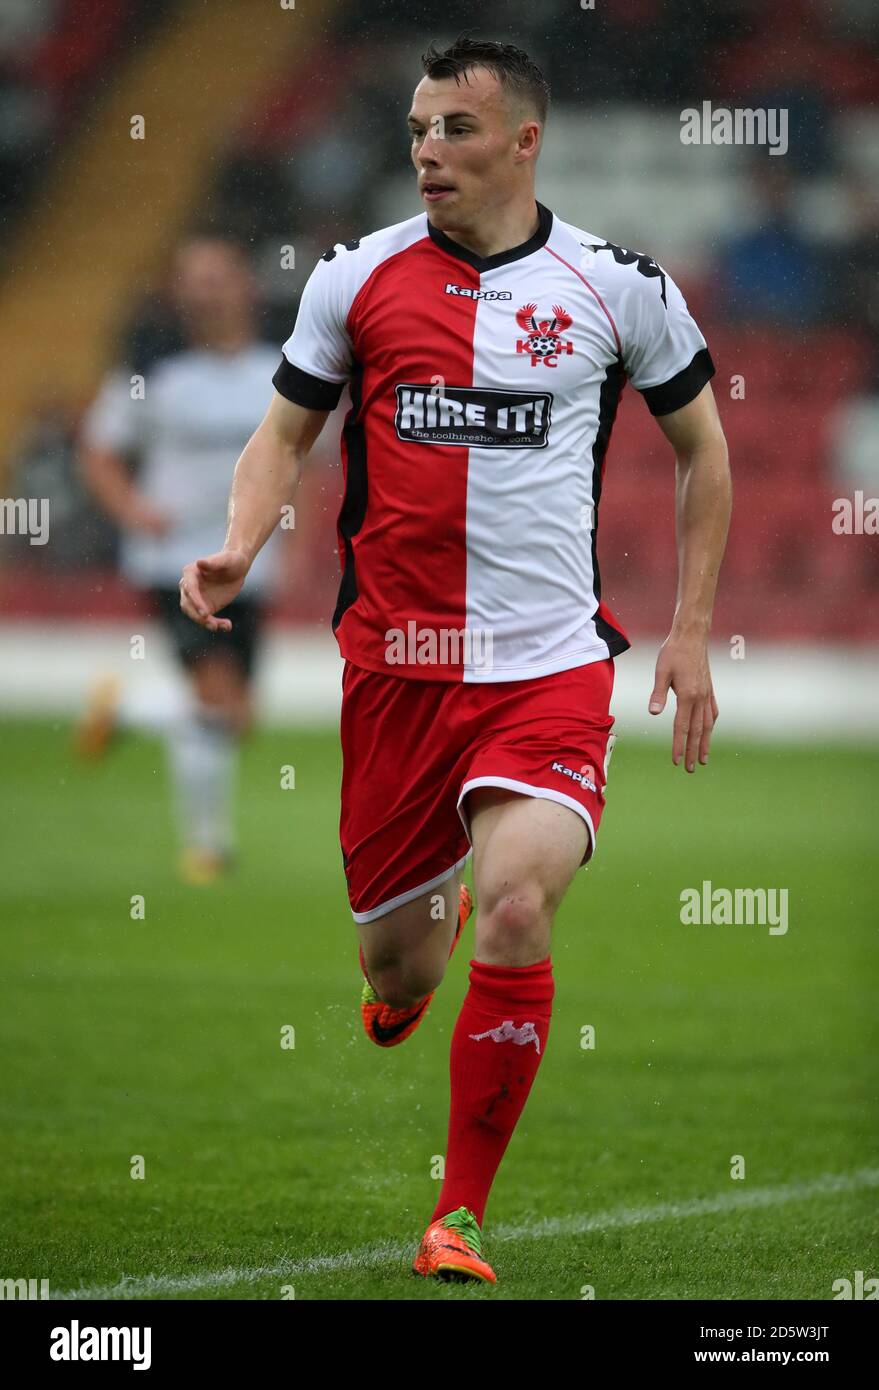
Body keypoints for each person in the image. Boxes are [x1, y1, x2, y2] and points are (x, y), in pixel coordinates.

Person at [179, 38, 731, 1283]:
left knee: (523, 900)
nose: (429, 150)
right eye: (420, 129)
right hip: (395, 671)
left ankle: (457, 1213)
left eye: (458, 130)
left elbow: (707, 453)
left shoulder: (613, 286)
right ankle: (415, 960)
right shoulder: (355, 279)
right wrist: (236, 543)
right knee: (398, 960)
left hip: (546, 668)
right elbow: (283, 437)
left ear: (524, 141)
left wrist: (691, 631)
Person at [78, 236, 280, 883]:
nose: (204, 291)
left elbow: (298, 462)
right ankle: (208, 846)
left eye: (216, 277)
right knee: (216, 700)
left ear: (244, 286)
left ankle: (129, 707)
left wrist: (294, 543)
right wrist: (134, 510)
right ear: (176, 293)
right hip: (175, 562)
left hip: (249, 561)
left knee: (236, 718)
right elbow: (99, 451)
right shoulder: (151, 372)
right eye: (191, 279)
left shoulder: (278, 368)